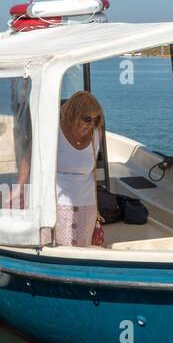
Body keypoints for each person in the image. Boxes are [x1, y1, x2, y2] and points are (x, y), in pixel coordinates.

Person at [53, 90, 105, 246]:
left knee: (82, 251)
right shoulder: (55, 130)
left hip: (86, 204)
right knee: (60, 251)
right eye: (87, 119)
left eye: (95, 120)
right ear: (73, 114)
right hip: (57, 204)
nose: (91, 125)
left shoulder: (97, 132)